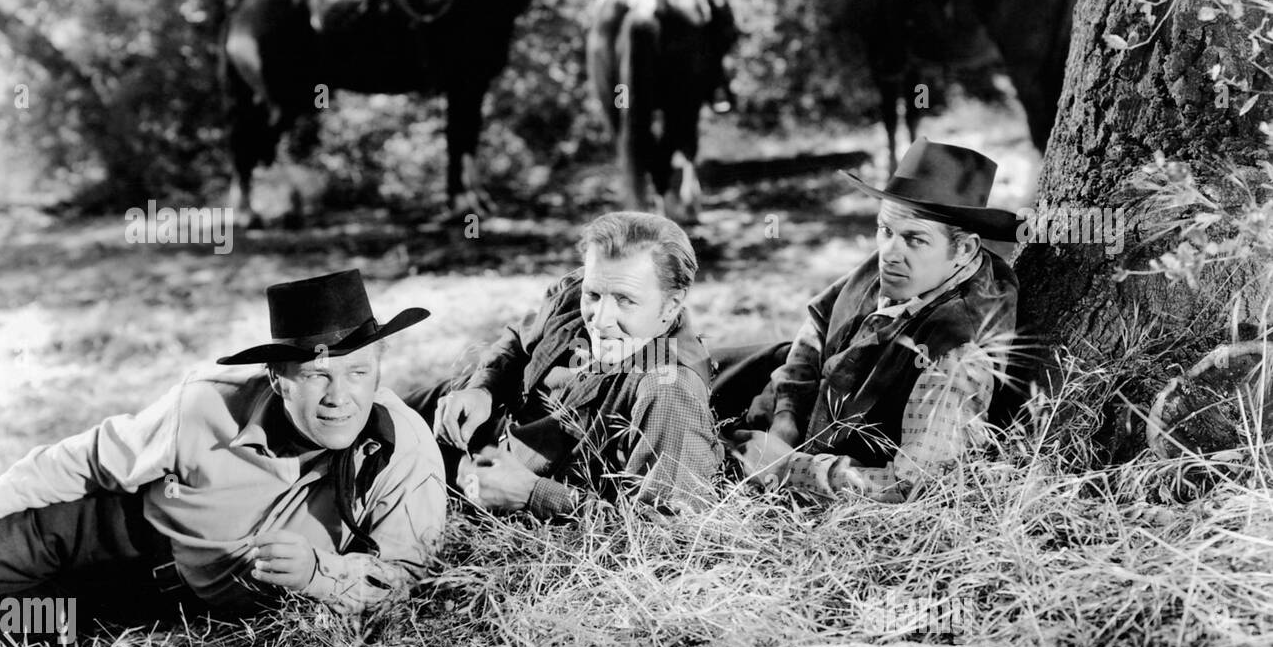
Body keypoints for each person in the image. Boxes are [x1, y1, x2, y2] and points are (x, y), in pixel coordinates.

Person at [0, 270, 446, 631]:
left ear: (379, 370)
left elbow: (405, 581)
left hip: (164, 608)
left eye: (358, 373)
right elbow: (79, 462)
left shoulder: (404, 450)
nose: (339, 397)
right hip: (120, 532)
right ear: (279, 380)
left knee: (24, 627)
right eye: (317, 375)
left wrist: (318, 575)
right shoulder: (208, 402)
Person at [716, 138, 1021, 502]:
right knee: (673, 365)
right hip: (795, 403)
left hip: (828, 459)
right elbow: (815, 330)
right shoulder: (910, 270)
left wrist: (784, 468)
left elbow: (915, 485)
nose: (889, 253)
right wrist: (787, 413)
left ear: (965, 250)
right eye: (885, 230)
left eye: (915, 240)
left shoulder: (956, 348)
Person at [403, 211, 722, 518]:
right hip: (463, 425)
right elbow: (519, 339)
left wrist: (532, 495)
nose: (600, 319)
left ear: (672, 304)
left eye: (626, 300)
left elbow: (664, 528)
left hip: (484, 492)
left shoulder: (668, 388)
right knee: (370, 418)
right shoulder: (585, 287)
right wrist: (483, 388)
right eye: (593, 295)